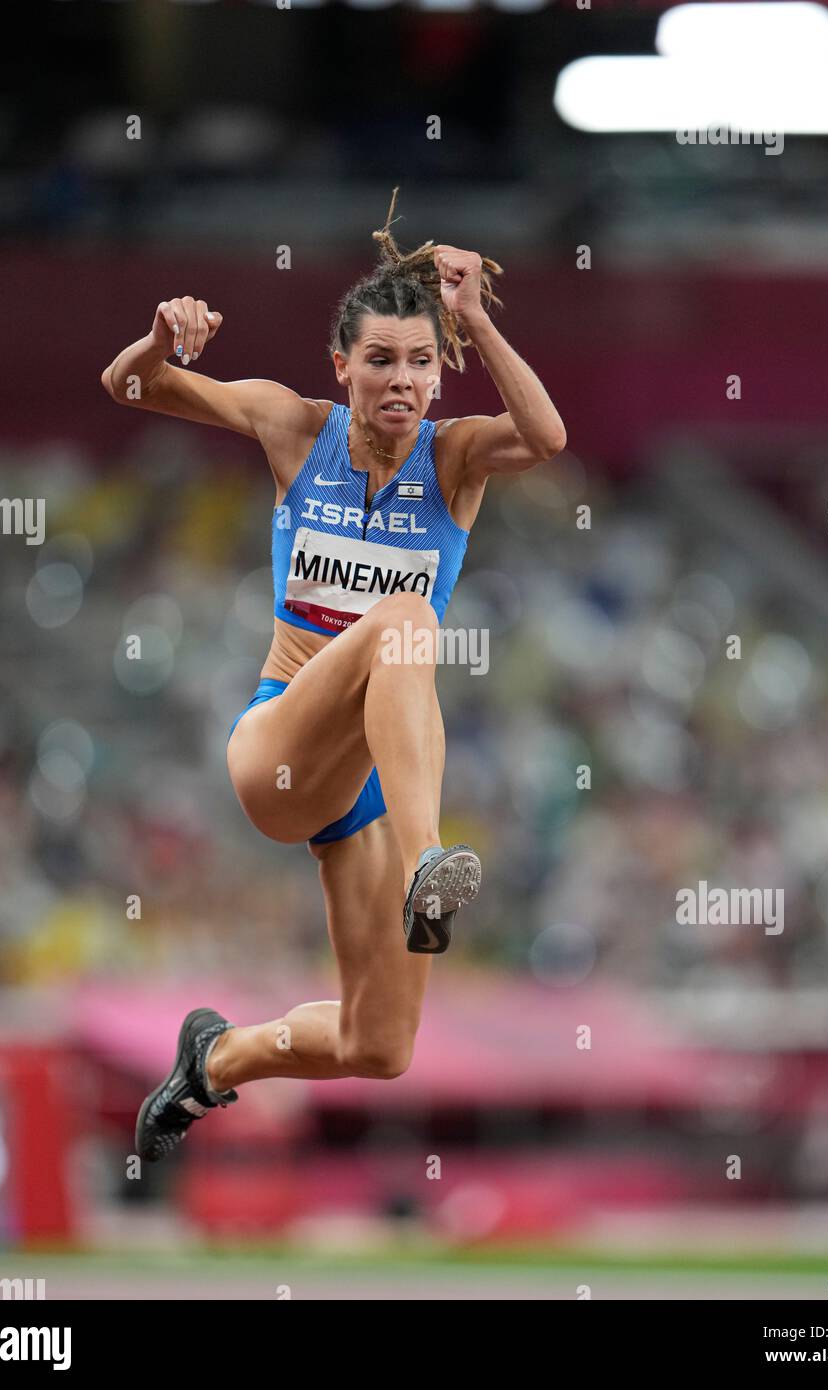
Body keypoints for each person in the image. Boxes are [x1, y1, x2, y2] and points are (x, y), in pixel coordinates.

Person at [100, 189, 566, 1161]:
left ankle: (212, 1062)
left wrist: (473, 315)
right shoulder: (291, 426)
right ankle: (428, 860)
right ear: (341, 366)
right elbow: (127, 387)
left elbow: (550, 438)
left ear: (441, 375)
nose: (401, 381)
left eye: (421, 362)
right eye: (382, 359)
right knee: (405, 619)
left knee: (379, 1043)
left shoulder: (456, 459)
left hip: (356, 793)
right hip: (278, 750)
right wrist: (157, 342)